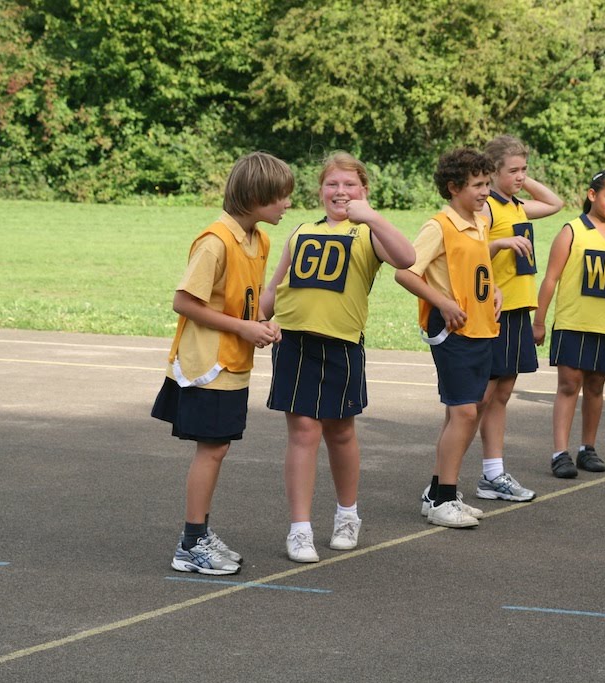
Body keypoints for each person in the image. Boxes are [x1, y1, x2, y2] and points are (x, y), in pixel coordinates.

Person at [259, 152, 415, 562]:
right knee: (303, 432)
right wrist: (254, 321)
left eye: (349, 184)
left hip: (342, 344)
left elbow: (407, 258)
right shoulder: (302, 231)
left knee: (341, 431)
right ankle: (300, 529)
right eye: (332, 184)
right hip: (294, 342)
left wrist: (372, 216)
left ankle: (347, 515)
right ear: (320, 190)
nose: (340, 191)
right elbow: (275, 287)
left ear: (364, 190)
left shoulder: (368, 233)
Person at [152, 151, 292, 575]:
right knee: (211, 450)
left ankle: (198, 534)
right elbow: (183, 301)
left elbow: (246, 303)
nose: (287, 204)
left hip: (232, 361)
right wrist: (243, 328)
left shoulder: (258, 240)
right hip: (207, 364)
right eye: (281, 197)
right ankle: (191, 543)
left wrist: (261, 323)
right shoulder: (215, 241)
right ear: (256, 197)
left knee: (219, 447)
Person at [394, 148, 501, 528]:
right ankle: (443, 500)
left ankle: (440, 492)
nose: (485, 191)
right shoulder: (438, 226)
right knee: (464, 413)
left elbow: (475, 267)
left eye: (487, 183)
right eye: (477, 185)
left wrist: (494, 290)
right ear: (454, 187)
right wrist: (442, 302)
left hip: (480, 326)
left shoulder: (479, 221)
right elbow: (405, 273)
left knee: (463, 411)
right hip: (452, 329)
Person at [476, 135, 564, 502]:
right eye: (512, 170)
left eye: (524, 169)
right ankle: (443, 480)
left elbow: (555, 203)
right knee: (478, 401)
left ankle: (492, 474)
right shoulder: (487, 208)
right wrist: (499, 244)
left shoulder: (517, 206)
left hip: (517, 312)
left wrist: (521, 180)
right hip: (494, 311)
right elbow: (469, 252)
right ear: (492, 172)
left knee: (502, 395)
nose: (520, 176)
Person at [533, 169, 605, 478]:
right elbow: (551, 278)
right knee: (568, 385)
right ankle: (559, 453)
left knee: (595, 386)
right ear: (592, 195)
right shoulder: (572, 231)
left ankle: (587, 449)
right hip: (573, 323)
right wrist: (539, 321)